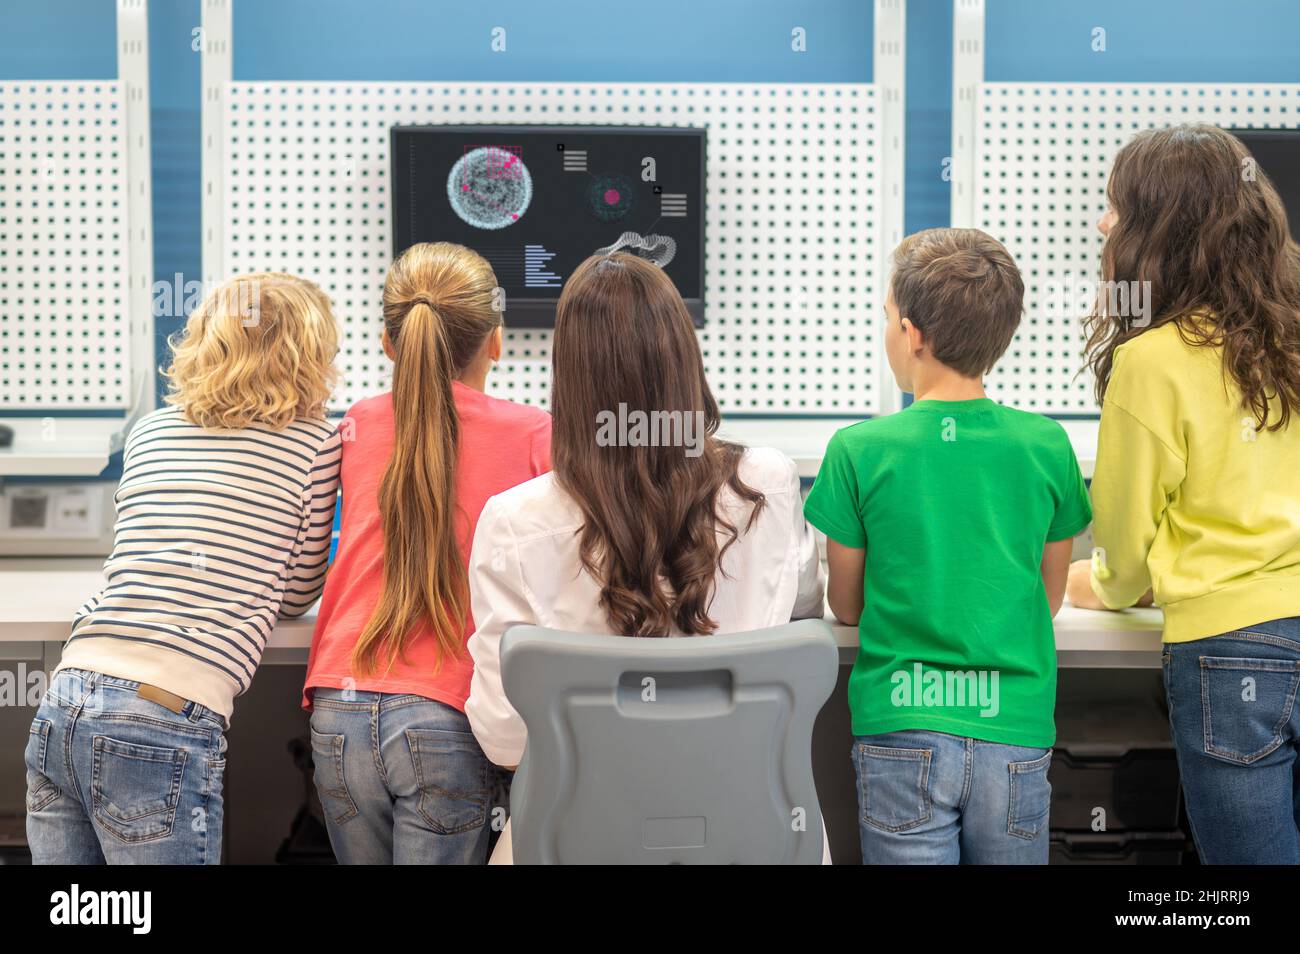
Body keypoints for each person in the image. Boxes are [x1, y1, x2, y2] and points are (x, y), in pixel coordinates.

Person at [465, 252, 825, 861]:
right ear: (685, 360)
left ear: (570, 377)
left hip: (581, 844)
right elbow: (803, 602)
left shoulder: (514, 521)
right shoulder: (766, 483)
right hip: (752, 839)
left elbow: (505, 740)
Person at [25, 273, 342, 864]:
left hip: (66, 695)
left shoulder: (149, 431)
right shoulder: (317, 445)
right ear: (310, 354)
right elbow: (298, 592)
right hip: (163, 715)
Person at [805, 228, 1092, 864]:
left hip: (901, 731)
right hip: (1013, 731)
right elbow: (1044, 599)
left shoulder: (858, 450)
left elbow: (847, 607)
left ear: (911, 334)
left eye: (885, 316)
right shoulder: (1046, 445)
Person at [1065, 125, 1300, 864]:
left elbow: (1126, 555)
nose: (1103, 223)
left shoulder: (1152, 361)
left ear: (1159, 228)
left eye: (1116, 206)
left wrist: (1103, 583)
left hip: (1234, 650)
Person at [303, 242, 550, 864]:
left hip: (339, 711)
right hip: (449, 714)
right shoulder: (533, 433)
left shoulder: (355, 423)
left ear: (390, 343)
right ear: (496, 341)